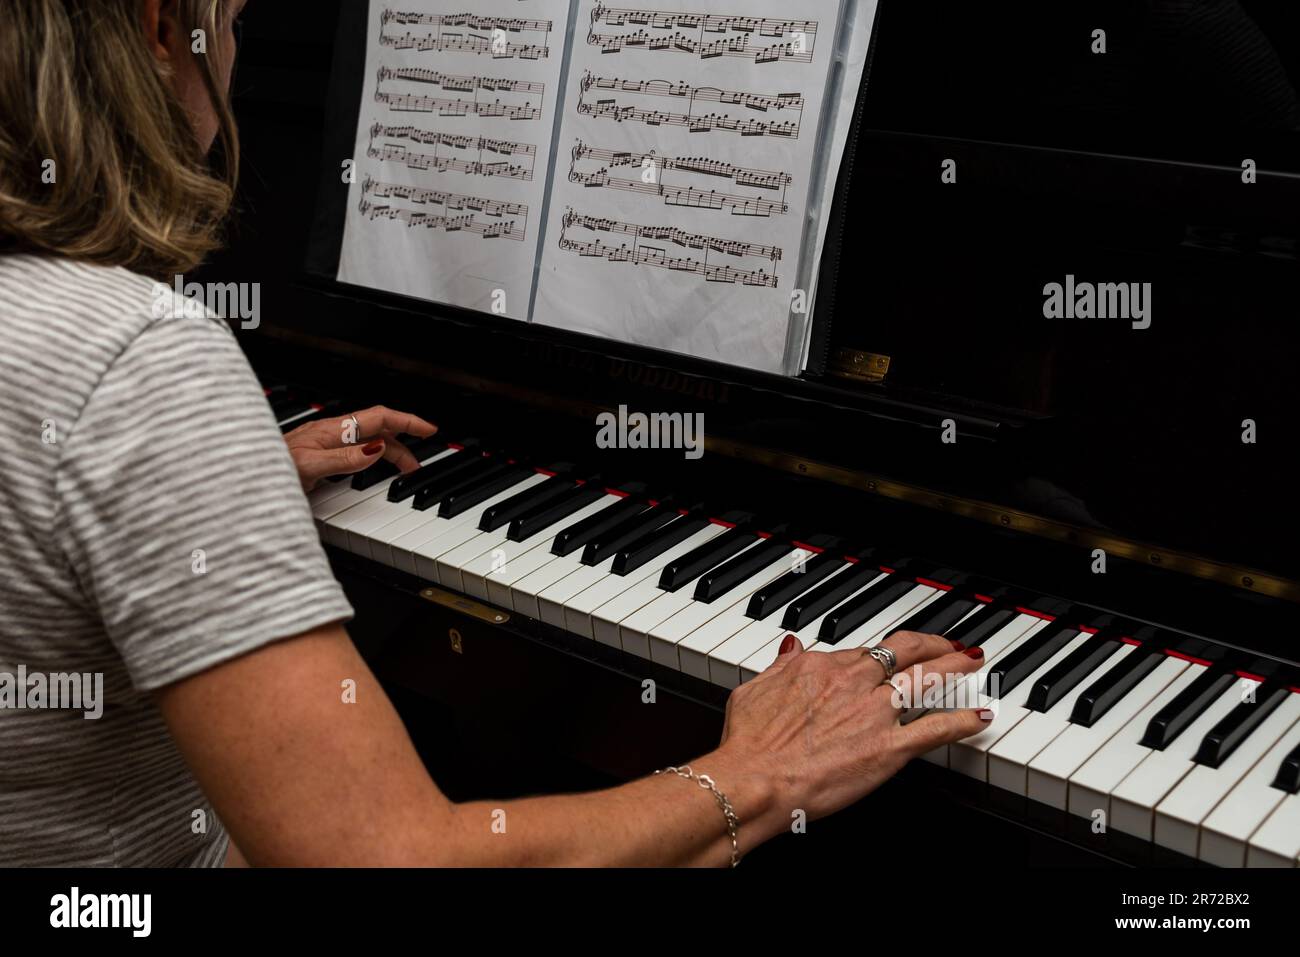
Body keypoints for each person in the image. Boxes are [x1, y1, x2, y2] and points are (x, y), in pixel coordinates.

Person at [0, 0, 992, 867]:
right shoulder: (135, 357)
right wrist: (759, 776)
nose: (238, 59)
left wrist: (212, 486)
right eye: (238, 22)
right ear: (160, 28)